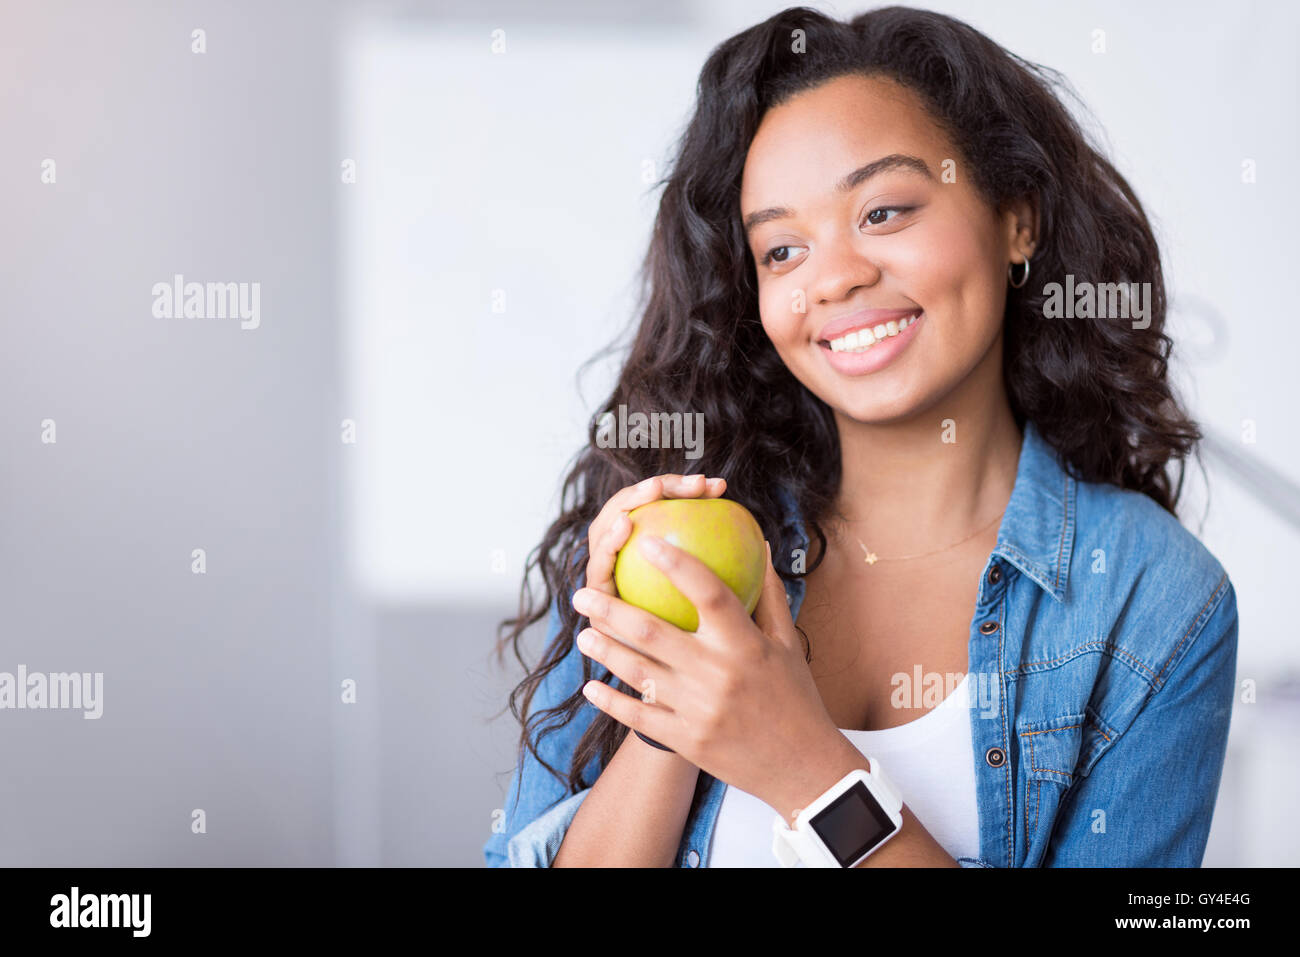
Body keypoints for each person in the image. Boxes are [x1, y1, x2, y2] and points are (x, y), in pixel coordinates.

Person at [484, 5, 1238, 868]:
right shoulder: (652, 545)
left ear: (1017, 219)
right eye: (781, 250)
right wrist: (676, 711)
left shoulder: (1155, 601)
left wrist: (808, 769)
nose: (836, 277)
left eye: (883, 211)